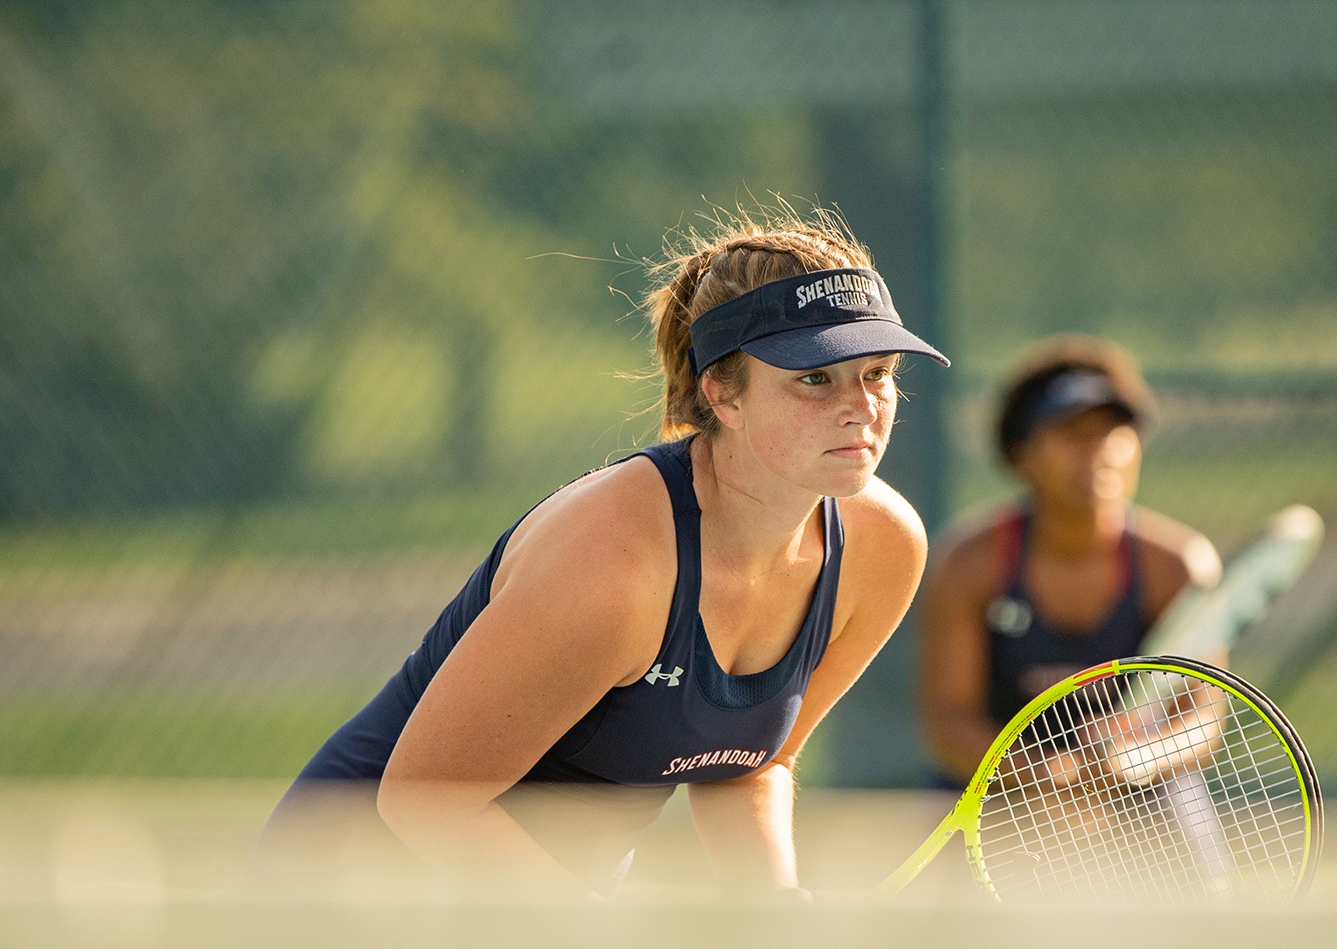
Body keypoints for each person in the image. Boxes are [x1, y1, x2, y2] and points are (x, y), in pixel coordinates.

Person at [252, 210, 946, 900]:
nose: (861, 406)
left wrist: (769, 905)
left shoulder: (883, 548)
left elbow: (751, 761)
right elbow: (424, 799)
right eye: (815, 379)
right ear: (722, 394)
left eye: (878, 372)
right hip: (346, 893)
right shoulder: (615, 565)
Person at [917, 335, 1221, 788]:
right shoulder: (967, 566)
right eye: (1072, 432)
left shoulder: (1179, 566)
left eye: (1114, 431)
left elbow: (1201, 717)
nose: (1099, 450)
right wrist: (1043, 779)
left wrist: (1132, 762)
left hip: (1142, 792)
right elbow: (950, 722)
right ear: (1021, 456)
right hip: (999, 791)